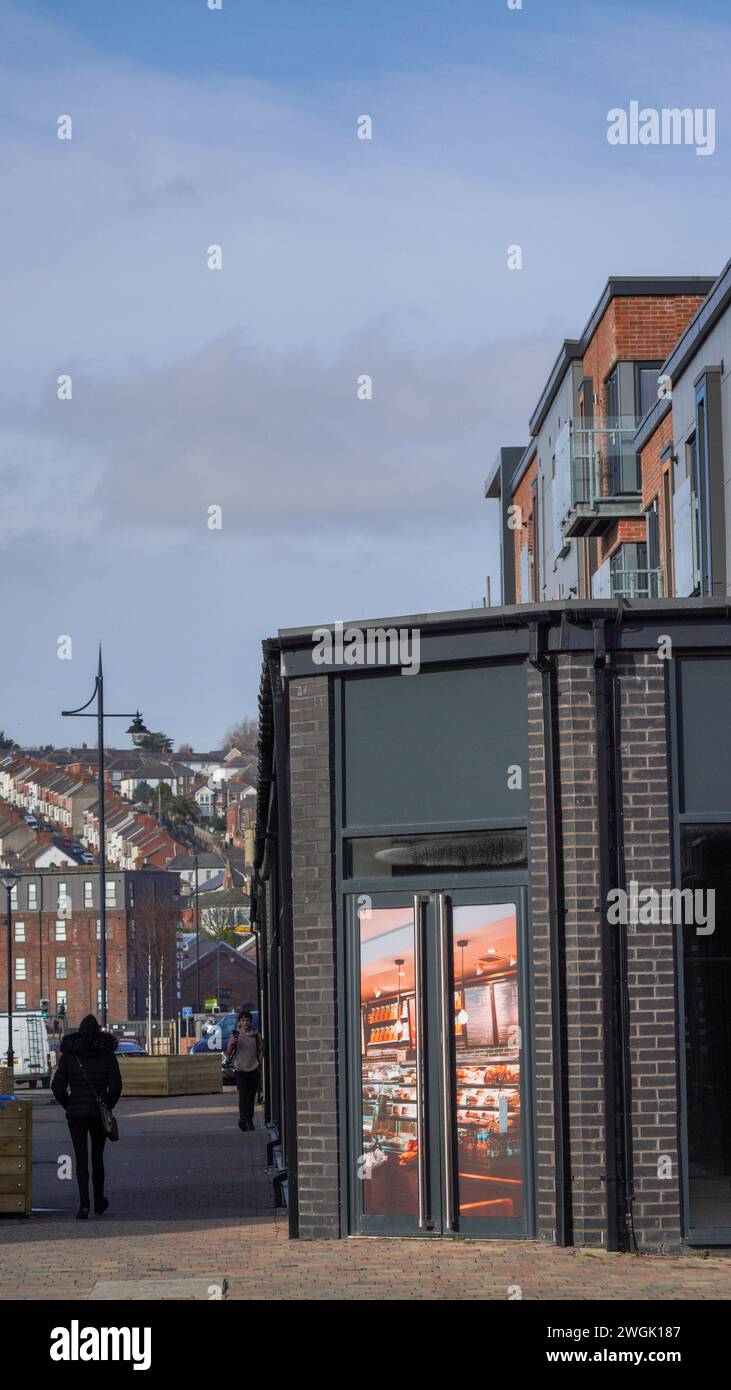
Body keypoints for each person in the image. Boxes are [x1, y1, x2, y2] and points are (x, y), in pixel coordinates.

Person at [51, 1013, 123, 1219]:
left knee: (80, 1159)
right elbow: (116, 1085)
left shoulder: (69, 1055)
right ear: (98, 1032)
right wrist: (107, 1105)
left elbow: (57, 1086)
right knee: (97, 1158)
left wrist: (69, 1105)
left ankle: (84, 1205)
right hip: (98, 1113)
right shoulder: (107, 1054)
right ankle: (99, 1202)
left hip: (76, 1115)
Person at [226, 1010, 262, 1131]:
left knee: (251, 1097)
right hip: (240, 1070)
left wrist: (259, 1064)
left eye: (247, 1020)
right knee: (243, 1095)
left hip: (253, 1069)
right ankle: (243, 1119)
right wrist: (232, 1044)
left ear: (250, 1022)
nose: (246, 1022)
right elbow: (228, 1053)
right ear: (240, 1022)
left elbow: (261, 1051)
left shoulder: (256, 1035)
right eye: (243, 1020)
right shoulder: (236, 1035)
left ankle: (249, 1120)